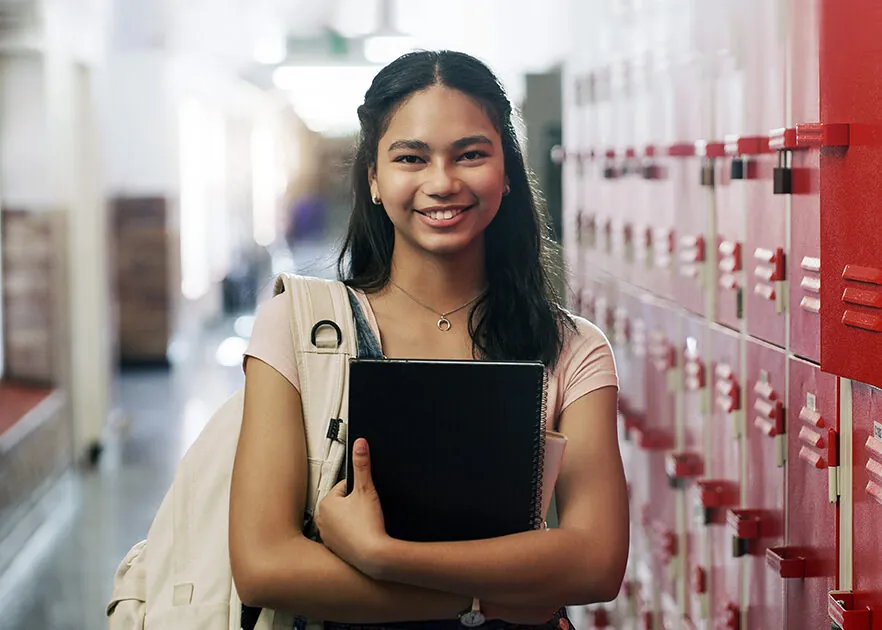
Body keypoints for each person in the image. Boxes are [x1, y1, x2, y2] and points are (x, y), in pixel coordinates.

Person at [230, 50, 628, 629]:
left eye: (470, 155)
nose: (442, 183)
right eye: (411, 158)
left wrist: (382, 556)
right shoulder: (301, 327)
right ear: (373, 177)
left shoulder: (571, 348)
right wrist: (489, 600)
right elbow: (264, 565)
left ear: (508, 173)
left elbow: (596, 563)